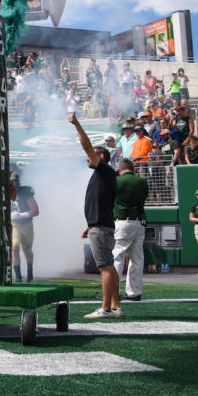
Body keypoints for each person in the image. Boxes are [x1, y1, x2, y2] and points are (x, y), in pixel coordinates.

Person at [68, 112, 122, 319]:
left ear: (100, 157)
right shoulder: (104, 175)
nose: (87, 159)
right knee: (109, 265)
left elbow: (87, 146)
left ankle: (106, 308)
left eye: (92, 156)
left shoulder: (103, 170)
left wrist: (77, 124)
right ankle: (116, 306)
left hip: (101, 227)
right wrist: (89, 226)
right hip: (99, 225)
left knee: (105, 267)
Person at [111, 159, 149, 302]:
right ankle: (134, 292)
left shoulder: (117, 181)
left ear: (120, 169)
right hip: (139, 221)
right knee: (137, 258)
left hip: (123, 220)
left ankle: (113, 291)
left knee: (117, 257)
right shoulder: (142, 182)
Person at [10, 171, 40, 283]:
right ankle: (18, 277)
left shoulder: (26, 192)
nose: (14, 185)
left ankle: (30, 273)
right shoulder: (3, 192)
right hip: (14, 225)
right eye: (12, 183)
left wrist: (22, 215)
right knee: (14, 248)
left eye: (15, 183)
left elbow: (36, 211)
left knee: (27, 250)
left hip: (26, 225)